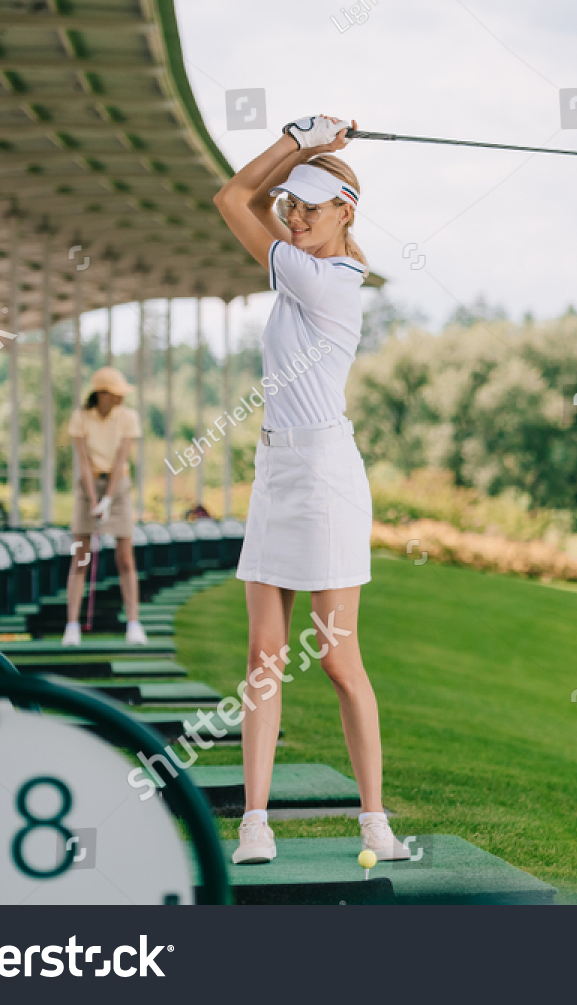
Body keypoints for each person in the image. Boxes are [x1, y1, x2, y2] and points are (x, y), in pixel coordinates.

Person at [211, 113, 410, 866]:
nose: (294, 216)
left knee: (336, 658)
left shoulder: (326, 281)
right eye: (292, 204)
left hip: (326, 477)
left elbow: (233, 198)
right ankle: (254, 824)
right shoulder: (301, 260)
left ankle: (375, 822)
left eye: (310, 207)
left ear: (345, 213)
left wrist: (300, 138)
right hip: (277, 473)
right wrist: (312, 153)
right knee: (262, 657)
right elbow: (255, 202)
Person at [64, 366, 146, 647]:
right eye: (115, 393)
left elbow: (121, 461)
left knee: (125, 558)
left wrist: (108, 499)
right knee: (80, 557)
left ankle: (134, 624)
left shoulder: (128, 418)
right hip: (87, 488)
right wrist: (94, 500)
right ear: (101, 394)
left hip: (118, 487)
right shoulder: (80, 417)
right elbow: (84, 463)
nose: (121, 397)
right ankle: (71, 626)